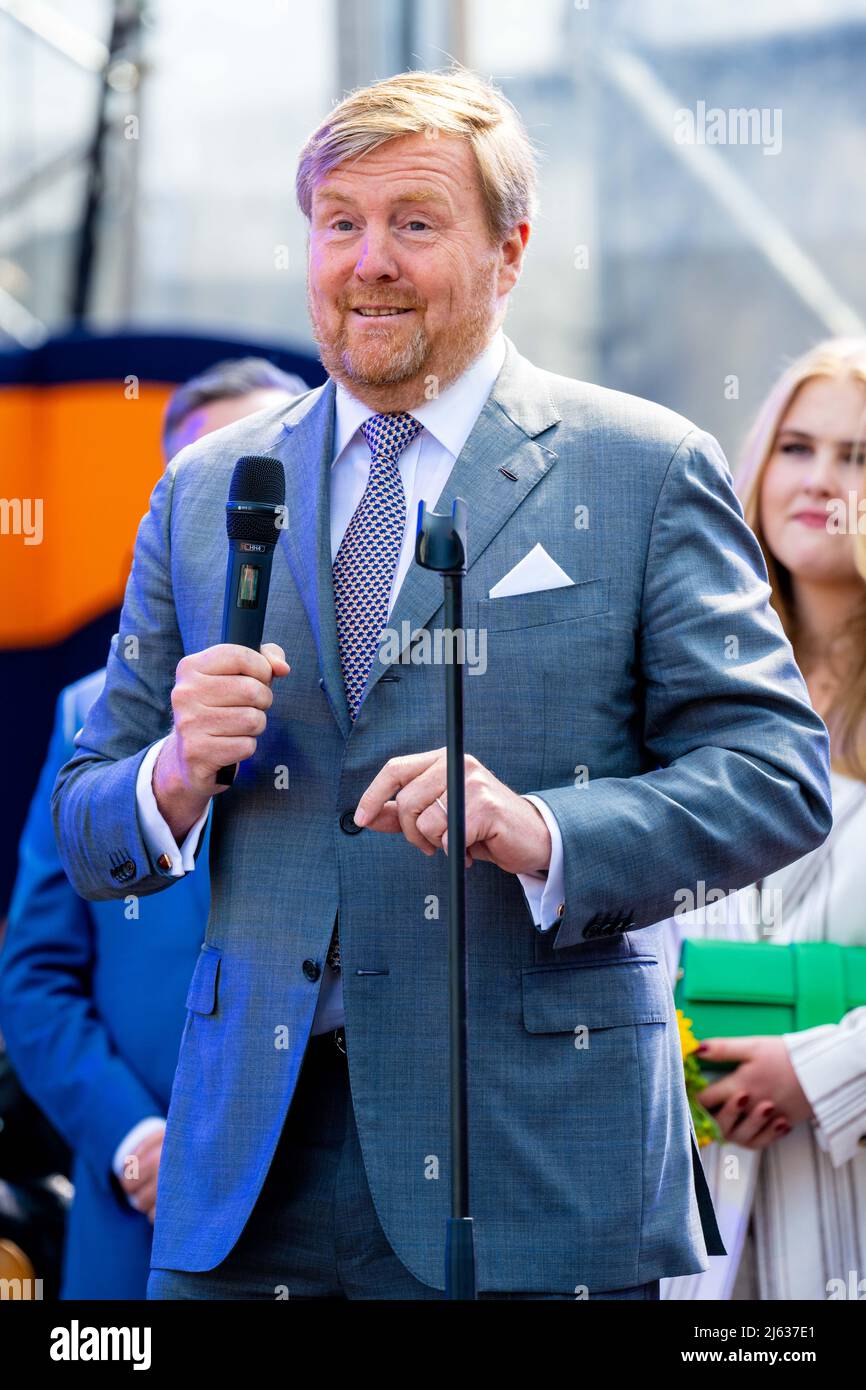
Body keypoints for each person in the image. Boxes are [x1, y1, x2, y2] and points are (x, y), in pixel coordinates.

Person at [52, 66, 831, 1301]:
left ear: (508, 251)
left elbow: (775, 777)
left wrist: (542, 830)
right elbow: (89, 822)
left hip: (527, 1171)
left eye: (414, 222)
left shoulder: (638, 466)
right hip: (245, 1178)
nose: (369, 260)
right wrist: (167, 772)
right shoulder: (209, 491)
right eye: (339, 222)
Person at [0, 357, 308, 1299]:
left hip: (333, 1201)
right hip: (139, 1223)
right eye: (208, 476)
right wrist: (133, 1140)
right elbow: (35, 975)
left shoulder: (383, 701)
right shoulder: (86, 717)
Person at [661, 337, 866, 1302]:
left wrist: (822, 1070)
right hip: (691, 1215)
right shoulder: (681, 676)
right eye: (798, 447)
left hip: (845, 1205)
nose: (823, 478)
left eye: (860, 456)